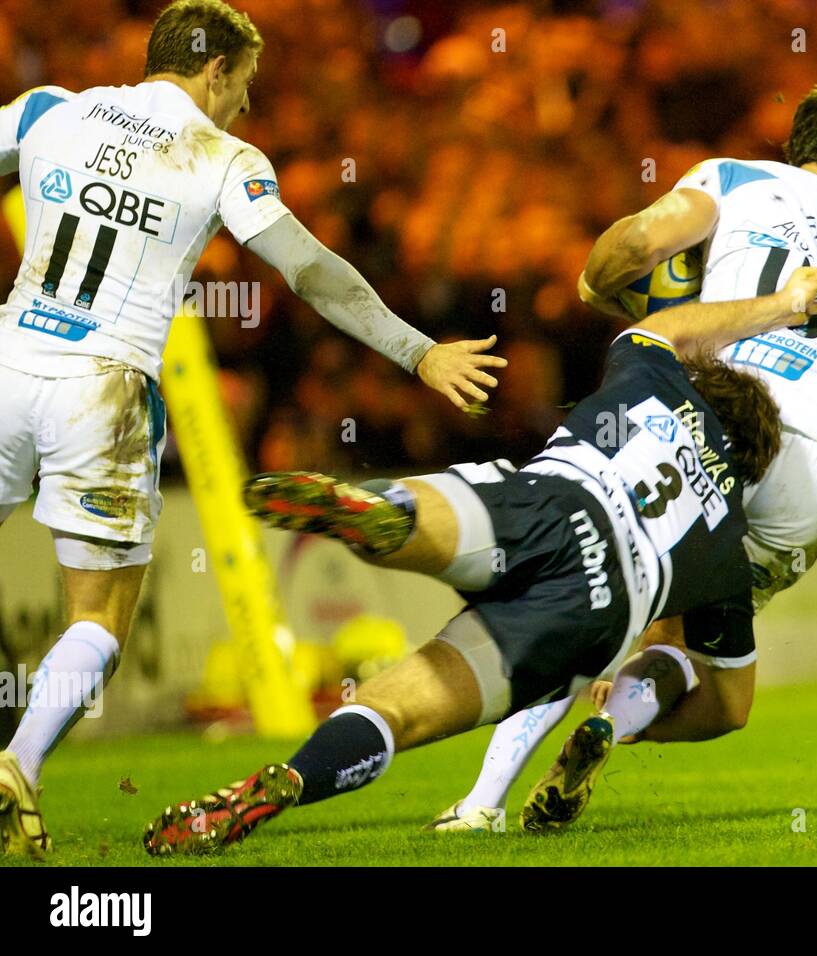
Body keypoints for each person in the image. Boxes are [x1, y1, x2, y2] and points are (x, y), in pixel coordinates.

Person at [0, 0, 505, 857]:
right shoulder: (222, 155)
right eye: (246, 87)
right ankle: (17, 764)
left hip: (10, 358)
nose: (246, 106)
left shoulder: (50, 108)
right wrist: (418, 353)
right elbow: (310, 270)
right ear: (216, 71)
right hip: (105, 387)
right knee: (100, 615)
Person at [141, 267, 817, 855]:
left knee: (429, 515)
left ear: (703, 389)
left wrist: (782, 305)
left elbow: (669, 326)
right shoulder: (726, 551)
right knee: (398, 712)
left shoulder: (655, 380)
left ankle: (382, 515)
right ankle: (292, 780)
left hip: (556, 502)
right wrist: (637, 724)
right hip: (597, 609)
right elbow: (733, 707)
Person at [433, 83, 817, 833]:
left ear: (796, 146)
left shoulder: (735, 177)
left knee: (595, 602)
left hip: (700, 422)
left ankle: (481, 803)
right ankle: (612, 726)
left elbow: (641, 242)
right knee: (705, 666)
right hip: (806, 469)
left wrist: (594, 280)